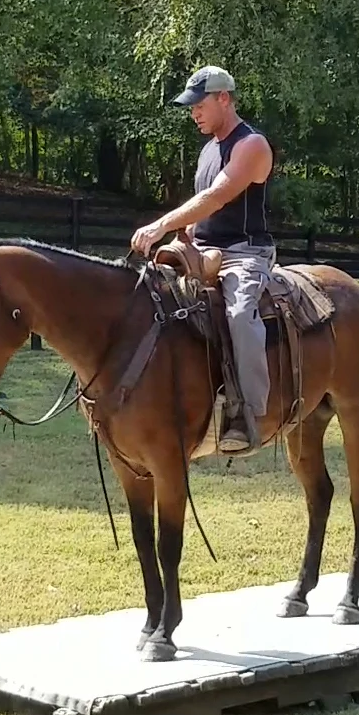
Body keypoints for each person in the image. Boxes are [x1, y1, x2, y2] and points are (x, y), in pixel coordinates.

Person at [130, 65, 275, 453]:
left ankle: (248, 413)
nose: (193, 113)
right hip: (205, 250)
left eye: (199, 104)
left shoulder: (252, 145)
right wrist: (183, 236)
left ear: (224, 99)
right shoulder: (208, 149)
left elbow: (216, 198)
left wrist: (160, 224)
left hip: (244, 254)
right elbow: (205, 212)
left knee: (240, 314)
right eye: (190, 106)